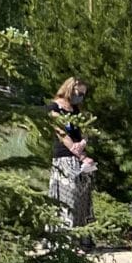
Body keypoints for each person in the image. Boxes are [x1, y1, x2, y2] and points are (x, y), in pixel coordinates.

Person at [48, 78, 94, 228]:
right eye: (79, 92)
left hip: (79, 158)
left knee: (82, 198)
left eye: (83, 94)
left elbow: (85, 129)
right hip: (63, 158)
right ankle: (66, 239)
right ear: (70, 88)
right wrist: (76, 150)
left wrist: (83, 144)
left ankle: (82, 238)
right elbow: (60, 132)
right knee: (69, 198)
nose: (80, 97)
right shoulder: (54, 107)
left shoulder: (76, 110)